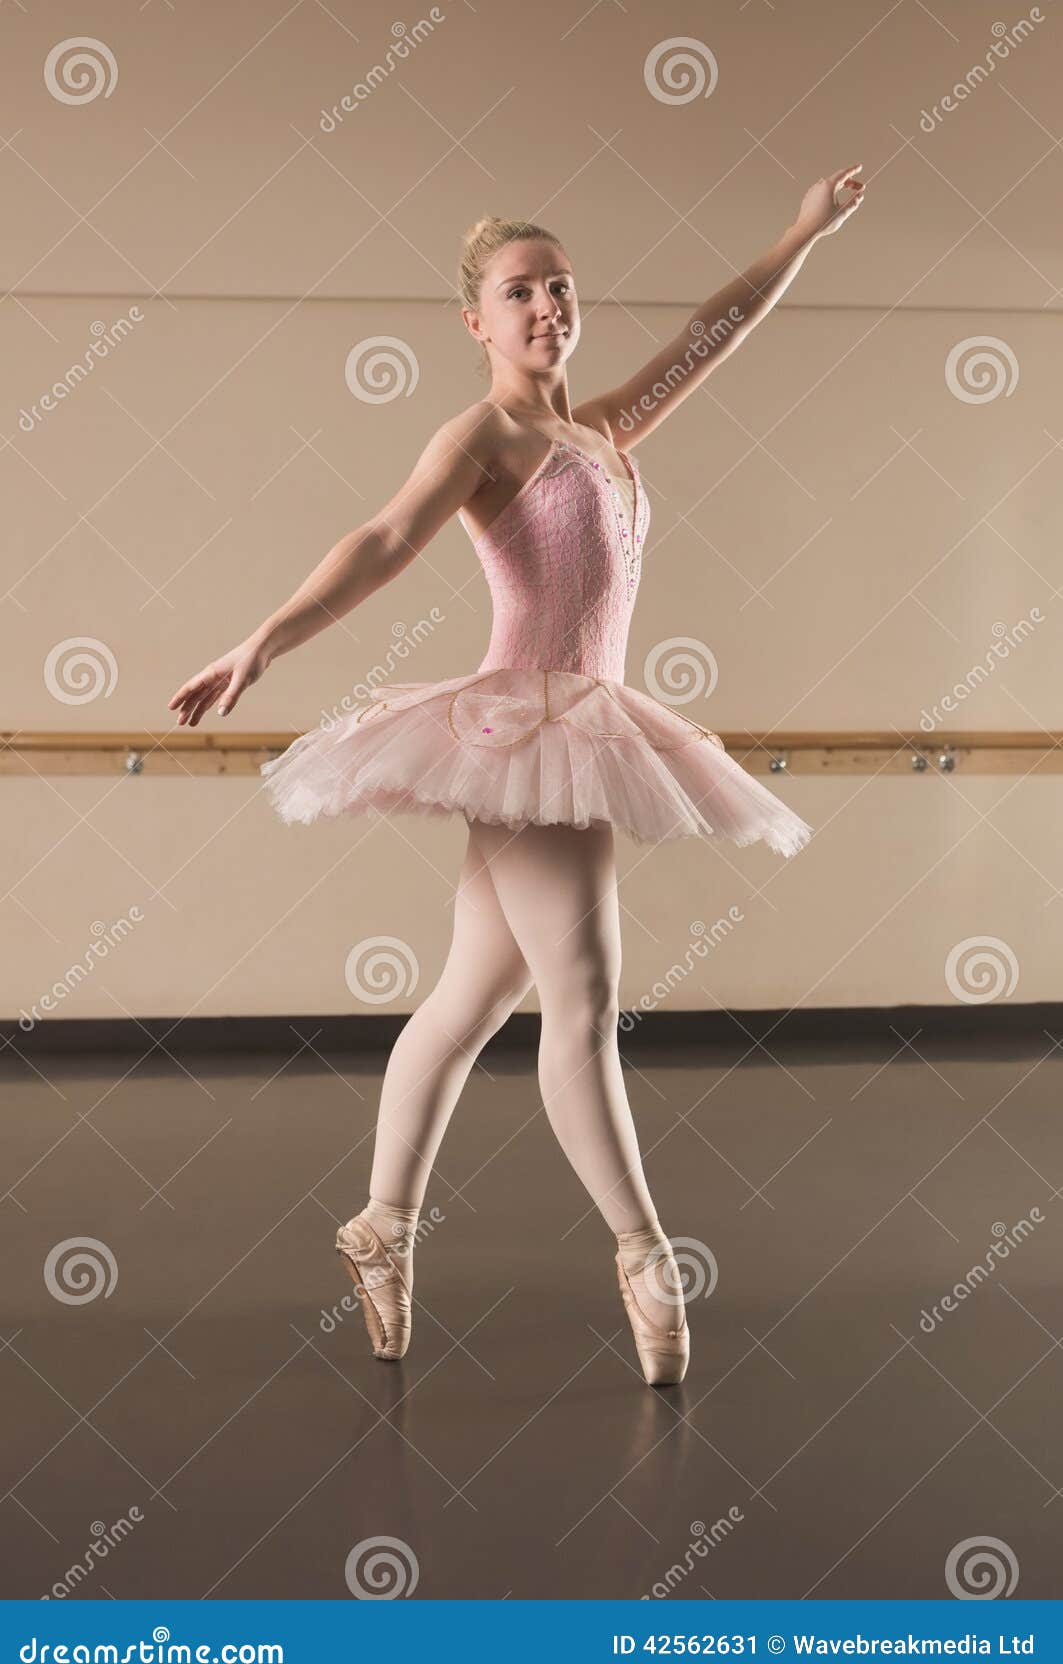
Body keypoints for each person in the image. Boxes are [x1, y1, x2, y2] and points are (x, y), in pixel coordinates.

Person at [168, 165, 865, 1386]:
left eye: (558, 286)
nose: (546, 305)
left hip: (574, 720)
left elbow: (716, 333)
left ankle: (378, 1228)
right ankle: (645, 1254)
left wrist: (800, 234)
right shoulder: (482, 436)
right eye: (517, 291)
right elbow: (383, 539)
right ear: (475, 321)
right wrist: (261, 640)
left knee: (466, 1003)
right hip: (527, 727)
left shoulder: (597, 428)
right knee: (582, 1004)